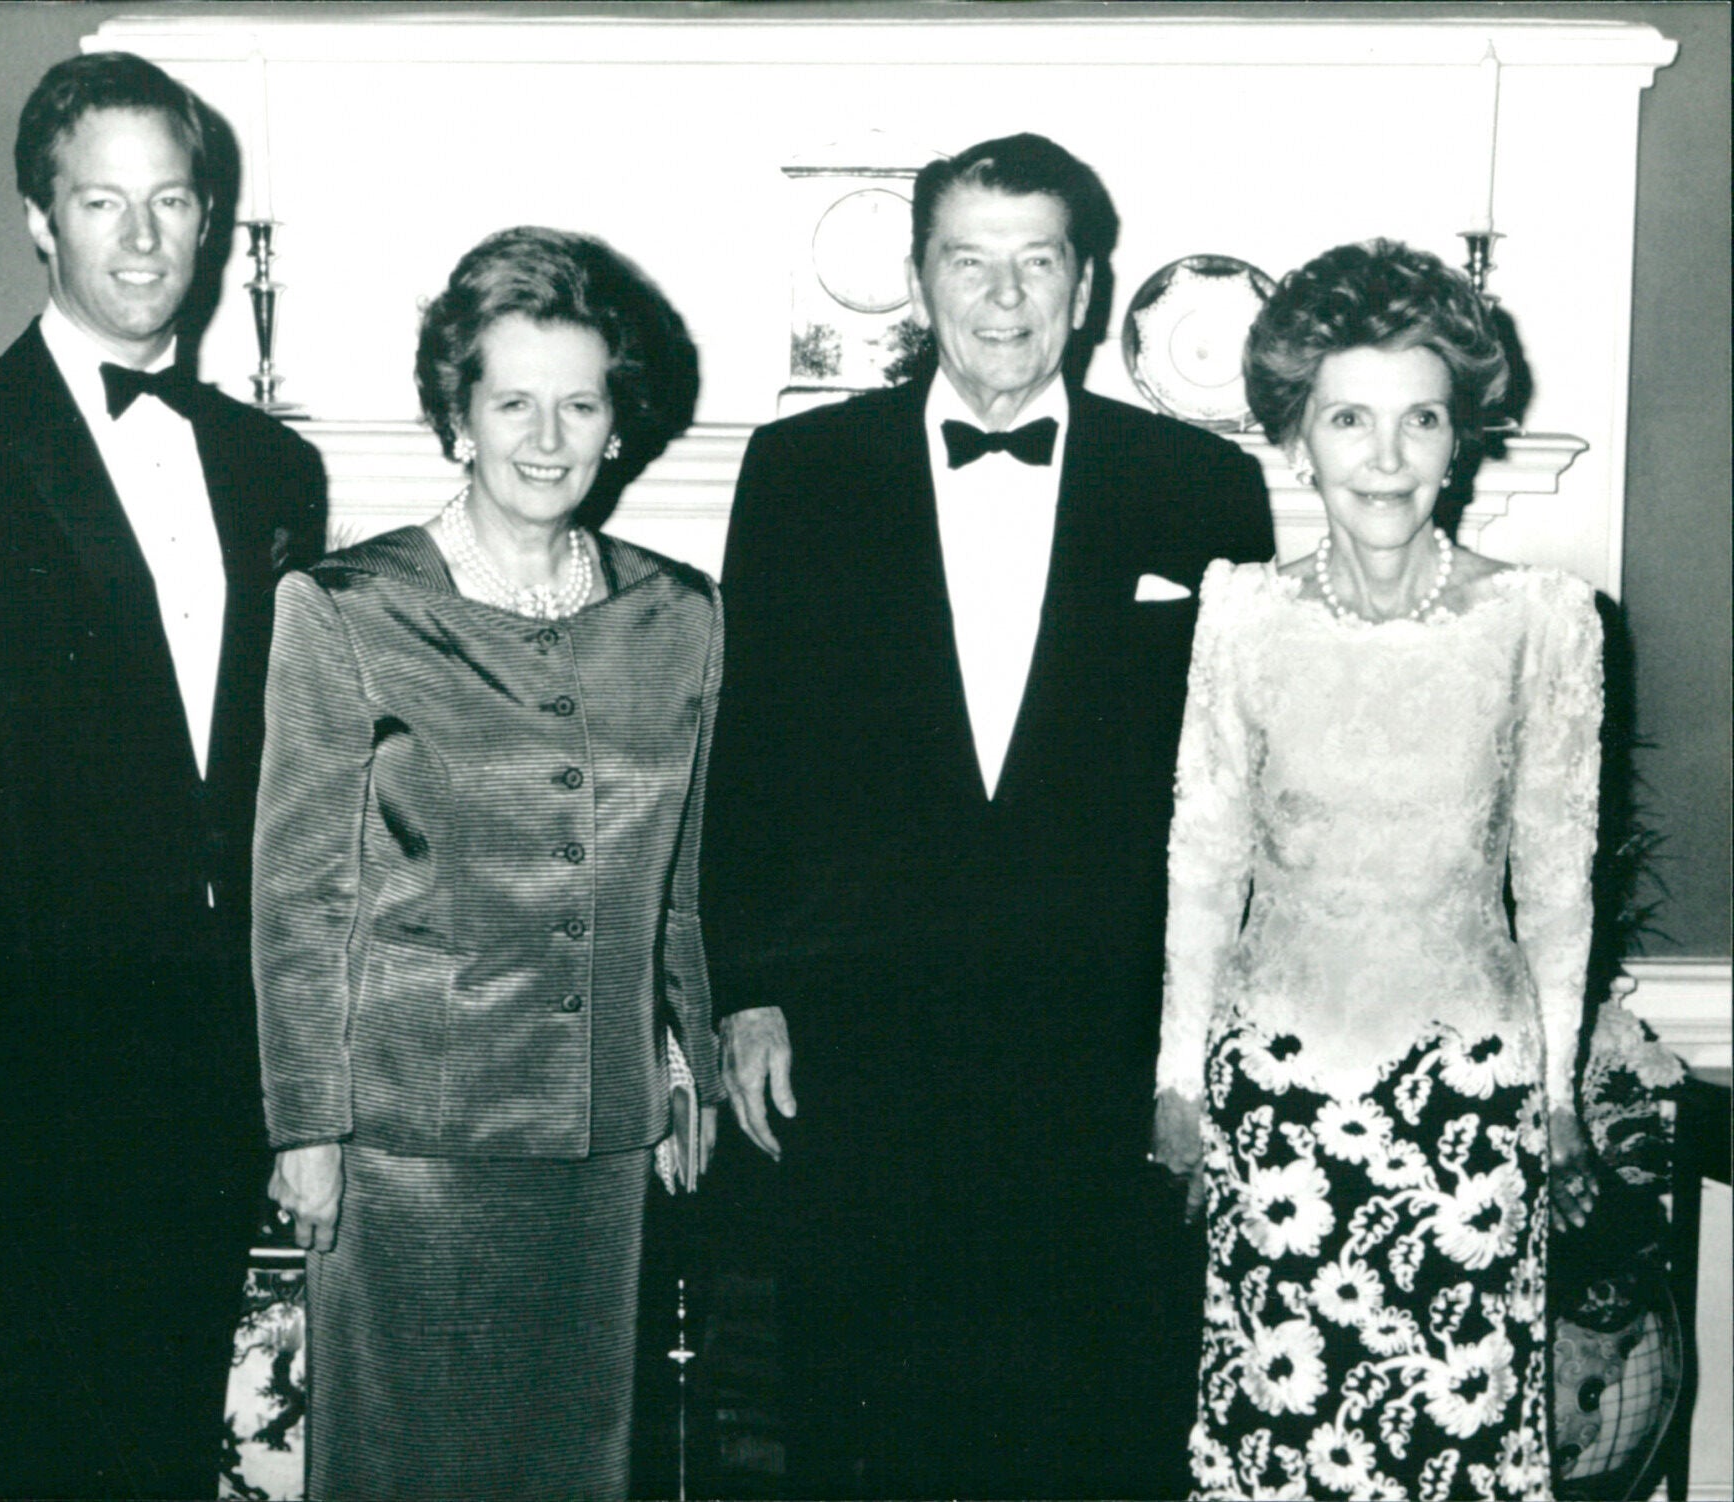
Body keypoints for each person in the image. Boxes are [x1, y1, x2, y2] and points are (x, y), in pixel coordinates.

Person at [702, 132, 1276, 1498]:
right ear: (920, 279)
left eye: (1037, 263)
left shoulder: (1199, 487)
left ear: (1085, 286)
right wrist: (750, 992)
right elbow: (751, 743)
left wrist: (1200, 1045)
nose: (1004, 298)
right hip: (862, 1043)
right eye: (971, 260)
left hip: (1101, 1054)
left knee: (1097, 1425)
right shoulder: (800, 471)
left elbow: (1239, 795)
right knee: (862, 1427)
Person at [0, 53, 326, 1498]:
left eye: (172, 200)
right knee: (14, 1438)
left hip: (208, 1059)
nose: (144, 238)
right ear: (41, 217)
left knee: (160, 1435)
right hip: (11, 1063)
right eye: (105, 201)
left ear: (212, 218)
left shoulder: (271, 474)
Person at [255, 225, 722, 1501]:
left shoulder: (679, 614)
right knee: (406, 1466)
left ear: (617, 422)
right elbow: (299, 894)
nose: (547, 433)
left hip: (603, 1136)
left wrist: (688, 1060)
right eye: (511, 399)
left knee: (576, 1465)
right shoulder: (347, 607)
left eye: (579, 401)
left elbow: (679, 867)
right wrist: (306, 1123)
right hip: (408, 1137)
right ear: (456, 416)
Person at [1151, 239, 1602, 1500]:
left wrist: (1556, 1094)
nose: (1386, 456)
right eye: (1349, 419)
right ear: (1297, 437)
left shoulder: (1540, 621)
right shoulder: (1237, 614)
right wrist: (1177, 1081)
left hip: (1466, 1094)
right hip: (1278, 1093)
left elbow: (1555, 881)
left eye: (1419, 419)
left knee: (1451, 1437)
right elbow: (1203, 861)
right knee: (1286, 1430)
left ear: (1459, 437)